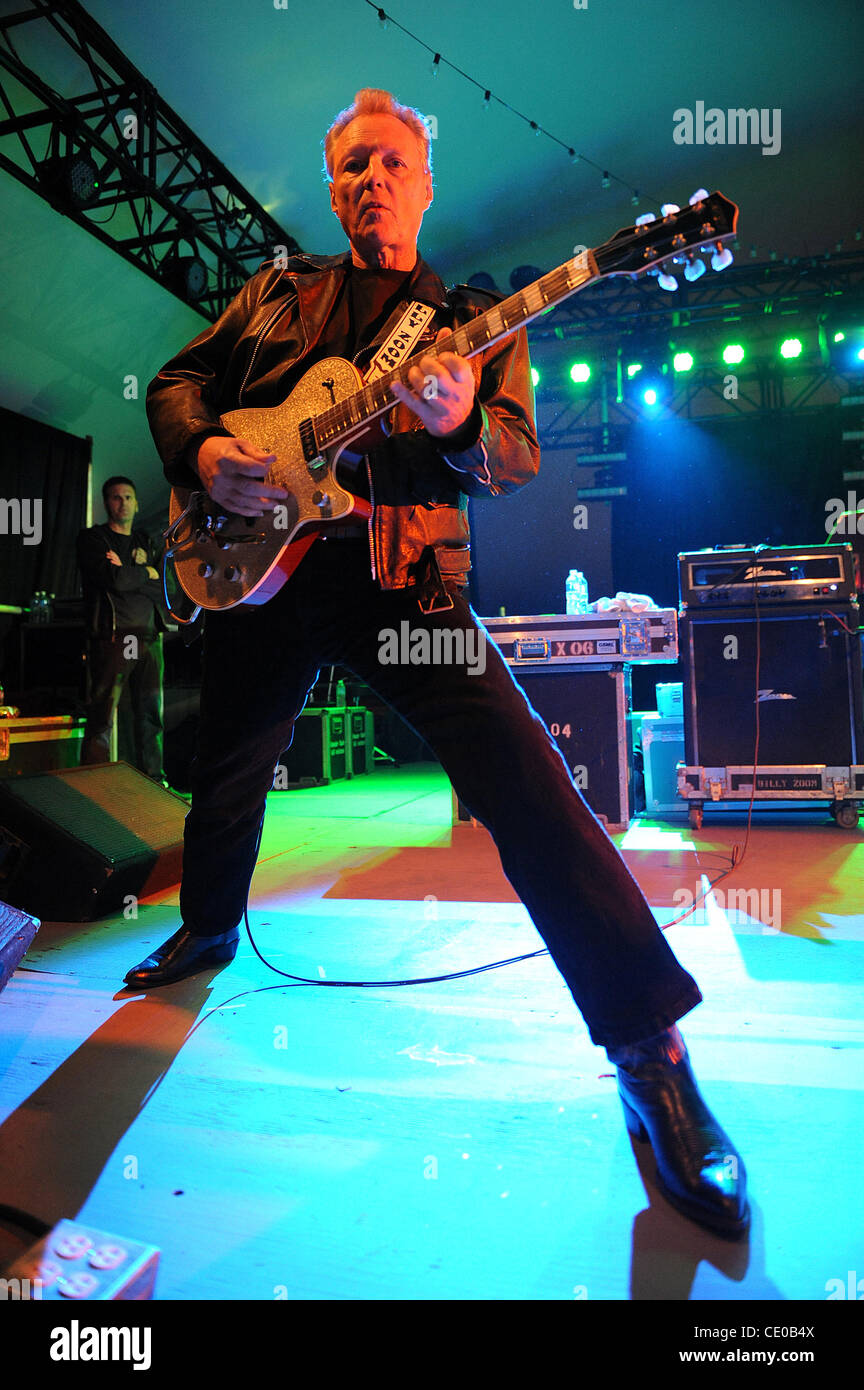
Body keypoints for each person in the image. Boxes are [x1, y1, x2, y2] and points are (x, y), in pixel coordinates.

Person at [126, 88, 748, 1238]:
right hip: (259, 572)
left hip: (393, 577)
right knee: (228, 762)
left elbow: (510, 457)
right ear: (334, 188)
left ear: (423, 185)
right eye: (353, 164)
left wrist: (461, 419)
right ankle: (209, 925)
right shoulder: (275, 293)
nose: (372, 180)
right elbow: (176, 383)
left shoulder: (470, 318)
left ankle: (648, 1047)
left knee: (525, 779)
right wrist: (209, 450)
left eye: (392, 164)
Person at [77, 476, 167, 781]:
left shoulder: (146, 541)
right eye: (116, 497)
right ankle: (93, 784)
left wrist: (133, 572)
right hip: (115, 637)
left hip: (149, 637)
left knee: (150, 715)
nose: (123, 502)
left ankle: (155, 781)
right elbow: (113, 581)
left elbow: (164, 588)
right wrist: (146, 573)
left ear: (138, 503)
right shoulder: (94, 540)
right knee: (103, 713)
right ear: (107, 503)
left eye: (128, 497)